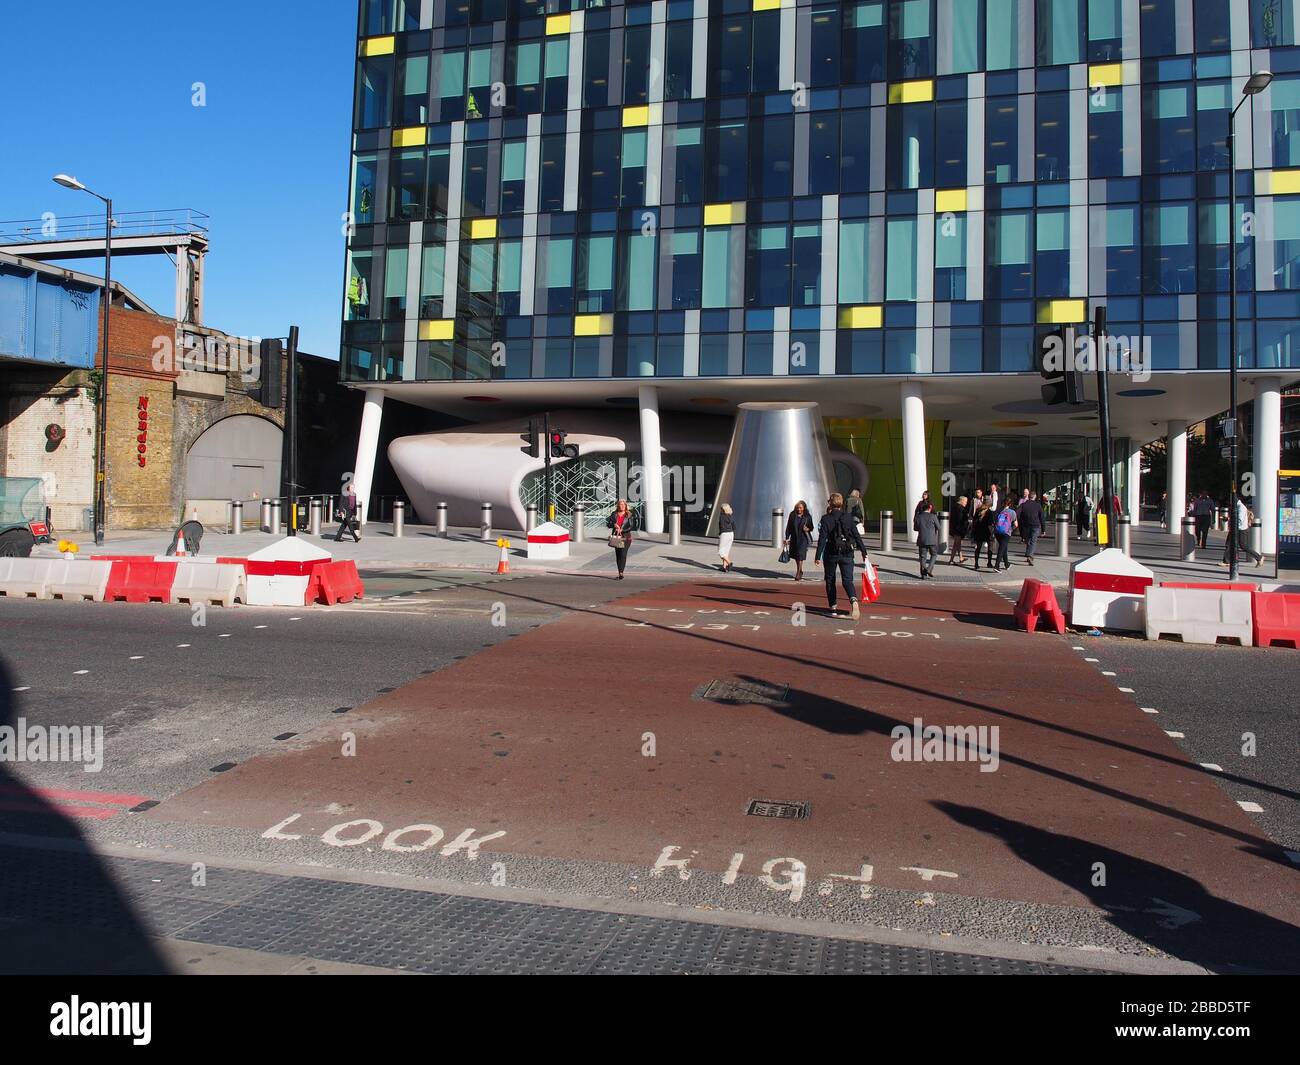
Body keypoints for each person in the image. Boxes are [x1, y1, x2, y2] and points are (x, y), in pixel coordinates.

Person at [814, 492, 870, 619]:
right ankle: (854, 600)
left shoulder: (826, 519)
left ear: (830, 503)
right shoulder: (848, 517)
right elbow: (856, 535)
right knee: (847, 580)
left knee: (830, 580)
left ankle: (833, 607)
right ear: (841, 503)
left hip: (831, 552)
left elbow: (822, 539)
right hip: (847, 552)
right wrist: (863, 552)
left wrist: (818, 556)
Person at [1220, 495, 1263, 567]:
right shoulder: (1238, 506)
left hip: (1240, 529)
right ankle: (1226, 561)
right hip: (1237, 528)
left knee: (1243, 546)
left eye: (1230, 502)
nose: (1230, 503)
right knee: (1229, 544)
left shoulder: (1241, 508)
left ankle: (1259, 557)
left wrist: (1228, 519)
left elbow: (1239, 520)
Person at [783, 500, 815, 581]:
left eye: (801, 508)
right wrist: (787, 537)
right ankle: (799, 569)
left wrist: (807, 528)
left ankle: (798, 571)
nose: (799, 509)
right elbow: (789, 527)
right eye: (798, 508)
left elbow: (811, 527)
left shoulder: (807, 516)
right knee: (796, 555)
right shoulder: (792, 515)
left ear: (804, 508)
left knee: (800, 555)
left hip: (803, 538)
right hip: (794, 538)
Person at [606, 499, 637, 579]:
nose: (622, 506)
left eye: (624, 504)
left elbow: (631, 526)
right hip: (617, 537)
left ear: (626, 506)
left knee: (623, 554)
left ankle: (621, 573)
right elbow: (608, 524)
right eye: (621, 504)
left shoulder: (629, 514)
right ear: (618, 505)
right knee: (618, 554)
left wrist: (622, 530)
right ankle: (619, 571)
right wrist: (614, 525)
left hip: (626, 537)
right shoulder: (614, 514)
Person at [1017, 490, 1045, 565]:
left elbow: (1017, 514)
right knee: (1033, 541)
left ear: (1029, 497)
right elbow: (1042, 517)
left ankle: (1028, 554)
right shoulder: (1038, 505)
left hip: (1026, 525)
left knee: (1028, 540)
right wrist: (1043, 529)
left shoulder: (1023, 505)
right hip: (1035, 525)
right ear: (1035, 496)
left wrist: (1020, 521)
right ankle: (1030, 556)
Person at [914, 502, 941, 579]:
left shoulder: (918, 517)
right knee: (934, 554)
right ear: (929, 508)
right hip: (932, 539)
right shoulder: (933, 516)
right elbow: (939, 527)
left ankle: (923, 575)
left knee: (923, 557)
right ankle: (929, 569)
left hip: (922, 539)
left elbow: (915, 528)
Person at [971, 499, 995, 571]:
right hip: (987, 531)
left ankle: (976, 563)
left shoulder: (978, 510)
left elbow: (974, 521)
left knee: (978, 548)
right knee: (990, 547)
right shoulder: (989, 512)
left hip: (979, 531)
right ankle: (989, 563)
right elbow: (991, 523)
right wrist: (992, 533)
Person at [994, 498, 1017, 571]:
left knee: (1004, 547)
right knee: (1001, 548)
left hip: (997, 532)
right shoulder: (1012, 512)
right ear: (1010, 504)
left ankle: (1007, 564)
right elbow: (1016, 524)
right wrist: (1011, 529)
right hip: (1006, 533)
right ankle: (997, 566)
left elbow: (995, 522)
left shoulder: (998, 511)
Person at [948, 494, 970, 565]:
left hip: (955, 528)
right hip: (958, 529)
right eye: (965, 501)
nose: (966, 503)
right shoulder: (961, 508)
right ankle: (954, 559)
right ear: (961, 501)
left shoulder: (954, 507)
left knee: (956, 544)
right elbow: (961, 519)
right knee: (957, 544)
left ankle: (958, 558)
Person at [717, 502, 735, 572]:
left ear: (723, 509)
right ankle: (724, 567)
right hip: (731, 534)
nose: (720, 510)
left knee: (720, 551)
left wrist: (720, 533)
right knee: (726, 551)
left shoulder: (722, 516)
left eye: (721, 508)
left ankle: (729, 563)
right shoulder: (730, 516)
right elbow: (734, 526)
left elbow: (722, 526)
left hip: (724, 534)